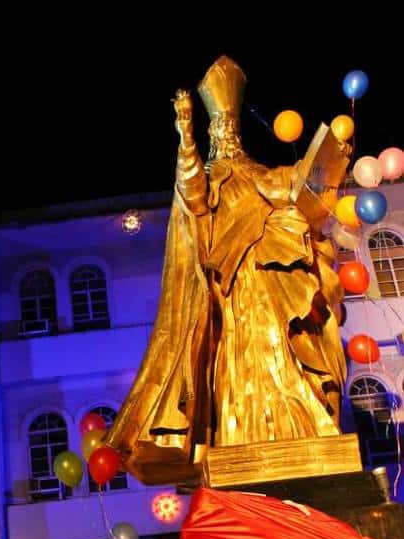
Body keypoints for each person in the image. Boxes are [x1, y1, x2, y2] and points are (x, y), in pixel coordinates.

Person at [106, 55, 351, 485]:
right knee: (237, 370)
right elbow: (193, 194)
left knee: (283, 354)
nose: (226, 138)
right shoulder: (210, 176)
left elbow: (302, 189)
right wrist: (185, 138)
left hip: (272, 284)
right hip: (232, 296)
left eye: (229, 130)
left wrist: (330, 162)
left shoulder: (263, 174)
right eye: (219, 131)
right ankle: (240, 443)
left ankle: (304, 431)